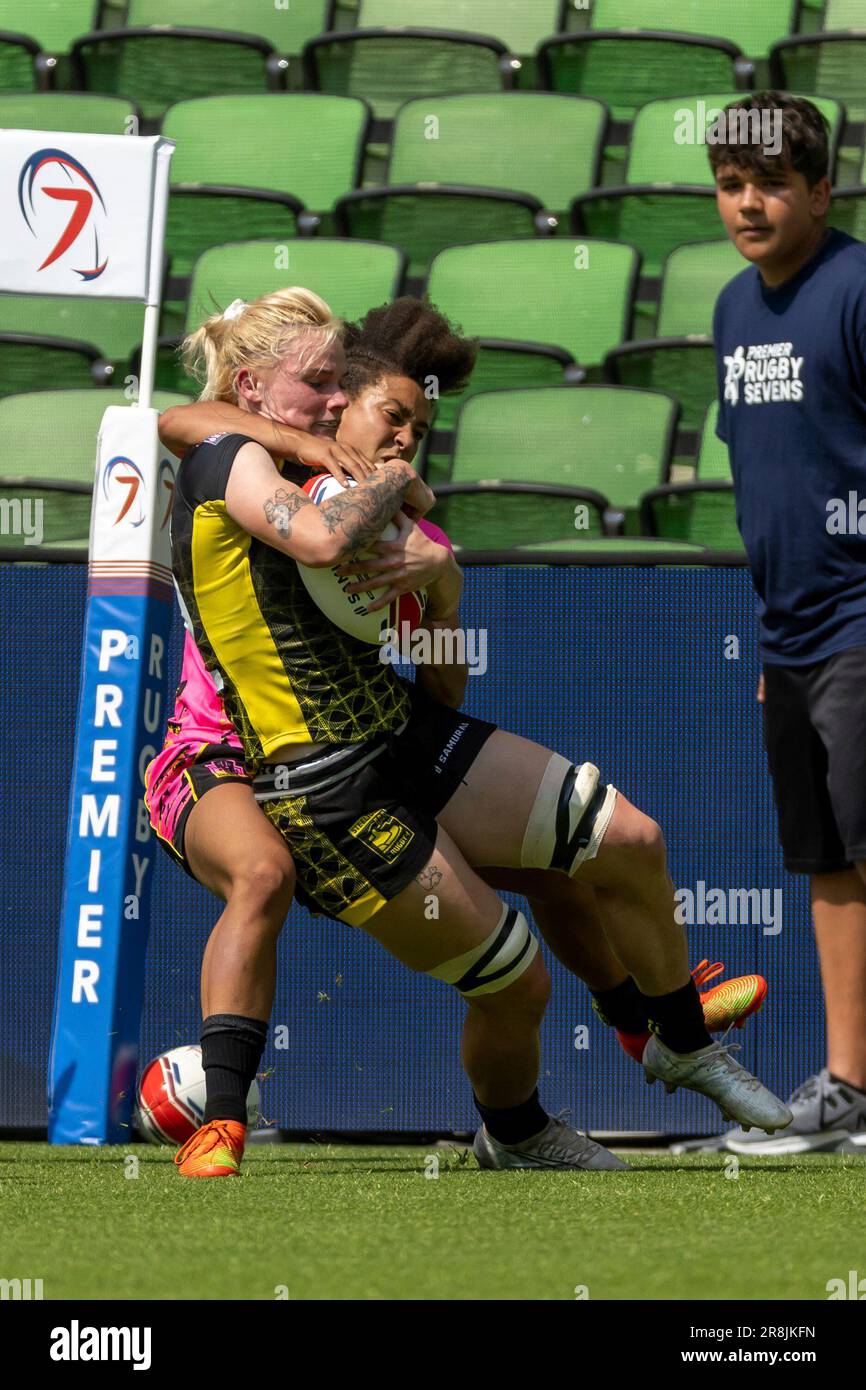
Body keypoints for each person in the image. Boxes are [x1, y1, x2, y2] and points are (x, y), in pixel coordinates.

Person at [155, 291, 790, 1178]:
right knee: (494, 965)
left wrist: (442, 579)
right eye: (358, 400)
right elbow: (194, 431)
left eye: (403, 419)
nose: (362, 417)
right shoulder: (247, 462)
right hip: (282, 766)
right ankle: (244, 1109)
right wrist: (355, 467)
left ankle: (670, 1034)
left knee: (625, 840)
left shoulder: (397, 518)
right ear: (259, 387)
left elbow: (441, 679)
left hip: (398, 729)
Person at [710, 92, 866, 1153]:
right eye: (729, 185)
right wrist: (775, 638)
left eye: (770, 183)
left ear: (821, 188)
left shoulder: (856, 289)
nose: (748, 203)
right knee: (825, 864)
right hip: (791, 634)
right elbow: (760, 478)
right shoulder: (728, 308)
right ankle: (849, 1087)